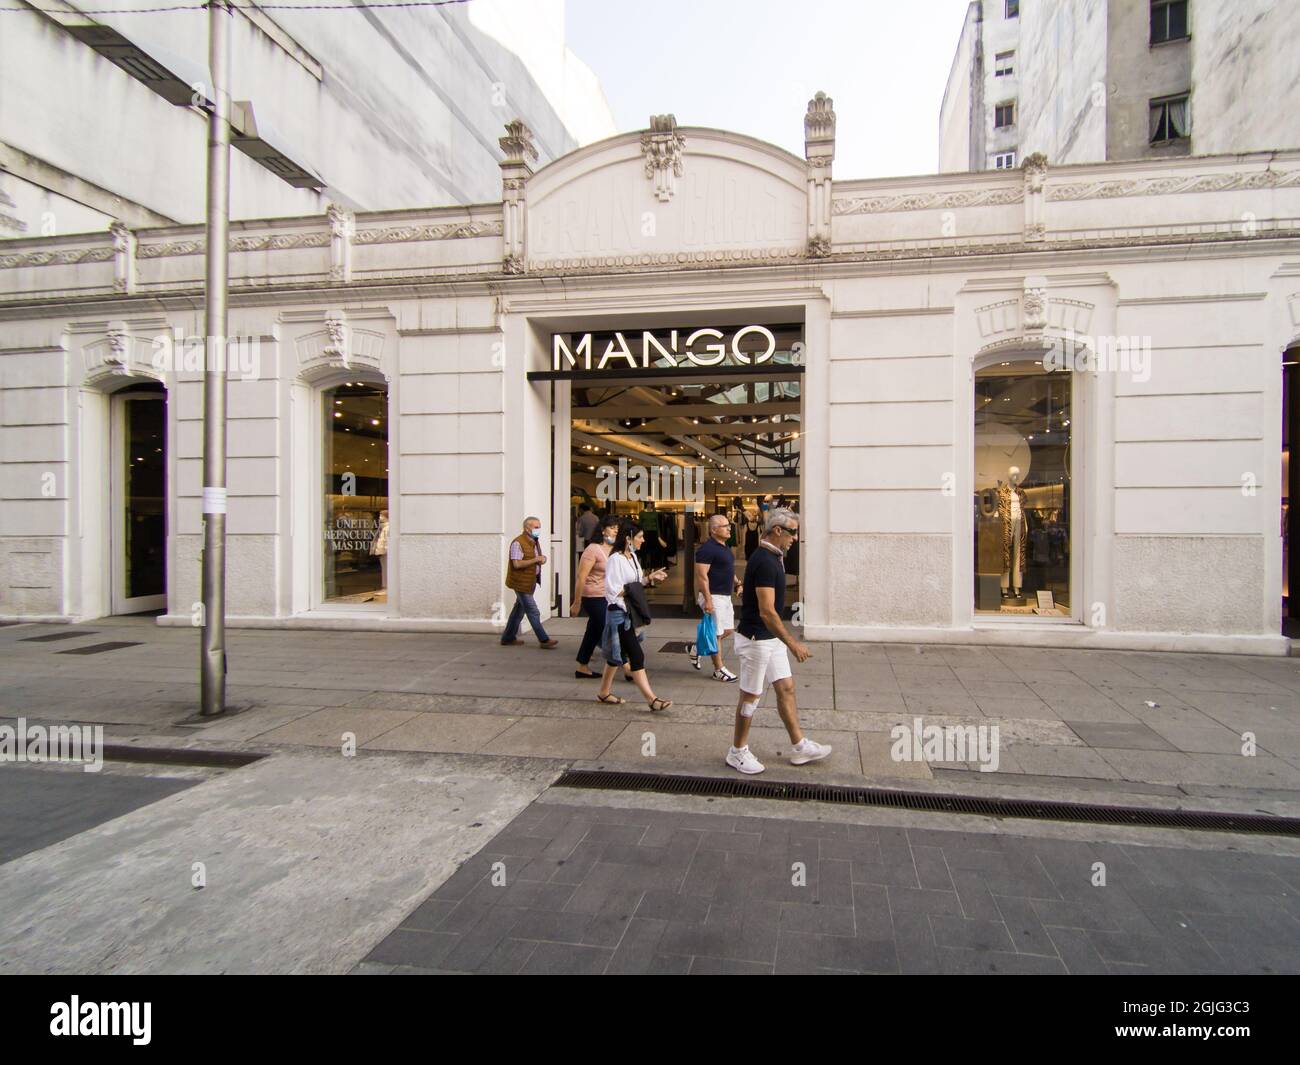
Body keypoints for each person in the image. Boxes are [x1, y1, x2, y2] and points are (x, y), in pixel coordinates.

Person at [725, 508, 831, 774]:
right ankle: (737, 752)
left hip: (770, 639)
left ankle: (799, 746)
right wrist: (793, 643)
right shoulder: (764, 560)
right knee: (750, 696)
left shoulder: (774, 557)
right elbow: (767, 611)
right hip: (756, 640)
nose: (796, 537)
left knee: (786, 688)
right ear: (777, 531)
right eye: (793, 532)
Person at [597, 521, 672, 712]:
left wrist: (649, 578)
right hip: (620, 613)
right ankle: (652, 700)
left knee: (616, 657)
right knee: (636, 655)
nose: (643, 540)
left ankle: (604, 692)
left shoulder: (632, 557)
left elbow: (635, 583)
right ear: (628, 538)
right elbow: (614, 591)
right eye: (639, 537)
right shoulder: (616, 559)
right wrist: (635, 588)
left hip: (630, 612)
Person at [689, 513, 740, 681]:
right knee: (717, 634)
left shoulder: (724, 547)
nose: (729, 528)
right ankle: (719, 670)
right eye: (725, 526)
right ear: (713, 530)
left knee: (728, 630)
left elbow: (727, 569)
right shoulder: (706, 549)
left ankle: (697, 647)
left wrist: (737, 583)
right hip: (713, 596)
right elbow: (702, 576)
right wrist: (709, 600)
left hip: (724, 596)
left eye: (728, 525)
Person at [574, 516, 621, 679]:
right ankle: (627, 665)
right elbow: (581, 577)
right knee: (609, 629)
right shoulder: (593, 549)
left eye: (617, 528)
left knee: (593, 631)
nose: (615, 530)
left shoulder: (615, 549)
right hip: (593, 596)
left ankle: (582, 665)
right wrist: (576, 602)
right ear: (602, 530)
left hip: (608, 596)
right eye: (612, 527)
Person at [501, 516, 558, 648]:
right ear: (527, 528)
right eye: (536, 527)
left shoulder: (534, 541)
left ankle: (508, 637)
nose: (539, 529)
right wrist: (536, 559)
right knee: (533, 611)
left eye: (539, 527)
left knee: (518, 611)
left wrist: (542, 559)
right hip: (521, 583)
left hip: (530, 581)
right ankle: (544, 640)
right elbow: (516, 564)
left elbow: (535, 558)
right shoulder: (518, 543)